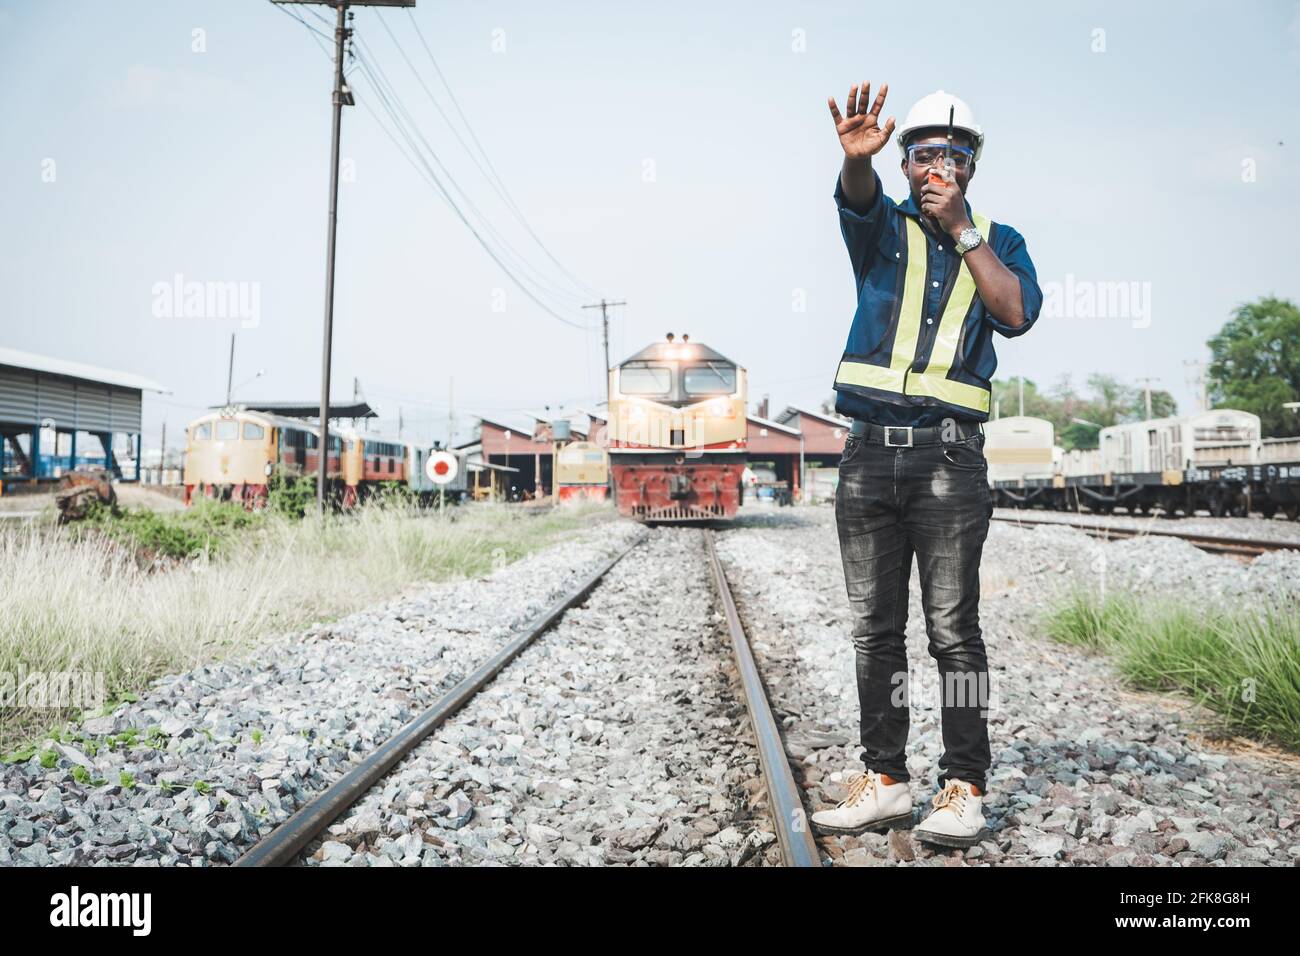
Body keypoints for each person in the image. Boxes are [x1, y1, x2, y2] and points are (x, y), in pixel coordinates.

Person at [809, 84, 1043, 849]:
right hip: (868, 455)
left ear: (972, 165)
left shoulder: (1000, 241)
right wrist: (854, 163)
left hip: (950, 462)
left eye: (952, 153)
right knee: (874, 633)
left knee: (953, 633)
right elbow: (857, 196)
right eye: (923, 154)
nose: (936, 165)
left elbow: (1014, 314)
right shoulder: (883, 229)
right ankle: (885, 781)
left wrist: (965, 232)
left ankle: (964, 785)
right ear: (904, 162)